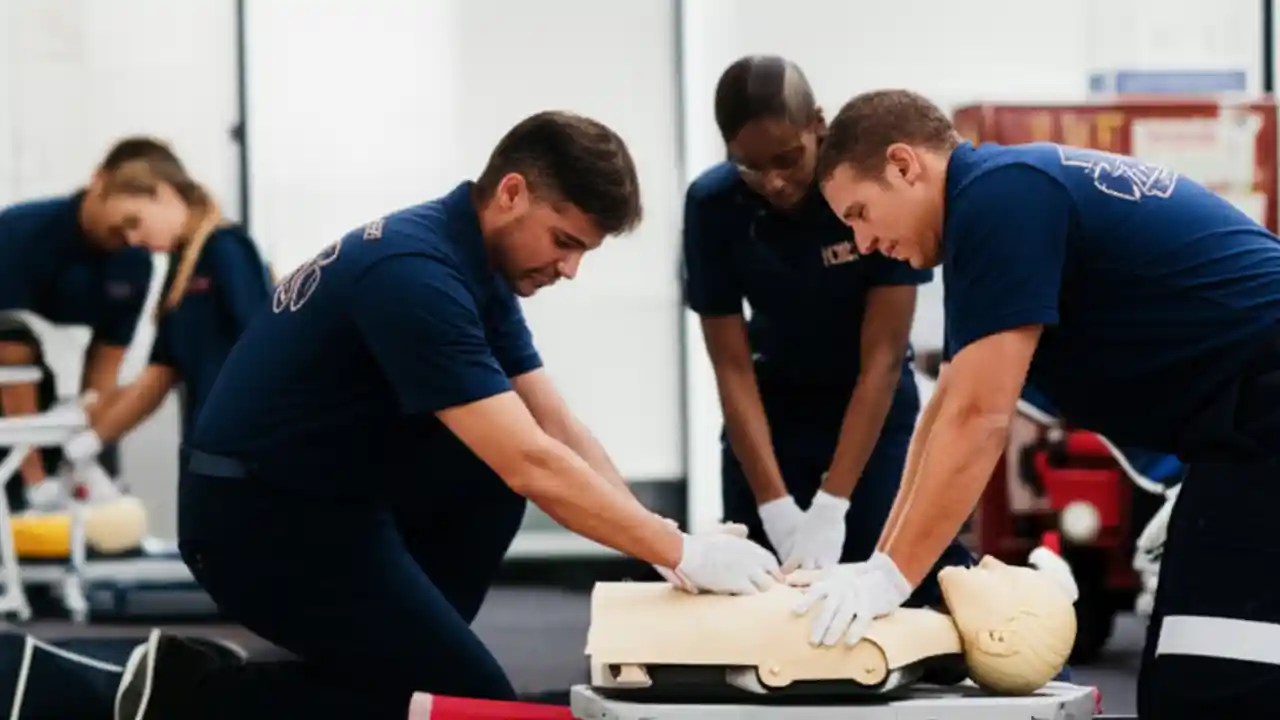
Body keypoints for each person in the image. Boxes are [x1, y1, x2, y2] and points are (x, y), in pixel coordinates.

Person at [114, 110, 783, 720]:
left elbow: (556, 426)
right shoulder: (415, 274)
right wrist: (681, 551)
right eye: (564, 240)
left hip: (332, 503)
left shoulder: (477, 266)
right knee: (468, 707)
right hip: (254, 524)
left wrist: (663, 542)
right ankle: (194, 692)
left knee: (426, 671)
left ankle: (400, 665)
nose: (571, 268)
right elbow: (531, 463)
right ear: (512, 193)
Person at [799, 89, 1280, 719]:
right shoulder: (996, 201)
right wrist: (879, 569)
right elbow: (945, 413)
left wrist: (888, 580)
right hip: (1239, 433)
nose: (861, 242)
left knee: (1214, 679)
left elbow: (980, 422)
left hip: (1263, 420)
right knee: (1186, 671)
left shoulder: (1000, 200)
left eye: (860, 213)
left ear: (903, 164)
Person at [682, 56, 972, 607]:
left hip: (871, 409)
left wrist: (833, 502)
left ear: (818, 123)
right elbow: (730, 365)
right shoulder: (713, 206)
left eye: (787, 159)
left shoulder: (860, 191)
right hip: (772, 411)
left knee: (883, 590)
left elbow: (883, 360)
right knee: (758, 600)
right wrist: (775, 504)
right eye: (749, 166)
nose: (774, 180)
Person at [0, 137, 195, 508]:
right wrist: (37, 481)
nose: (133, 235)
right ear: (99, 181)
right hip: (10, 389)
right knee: (22, 504)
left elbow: (106, 366)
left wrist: (85, 447)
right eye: (129, 221)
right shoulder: (17, 235)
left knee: (93, 484)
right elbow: (11, 364)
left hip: (57, 399)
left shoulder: (132, 259)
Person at [62, 174, 274, 484]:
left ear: (164, 196)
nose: (133, 241)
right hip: (202, 450)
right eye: (124, 233)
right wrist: (94, 437)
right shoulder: (179, 270)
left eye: (135, 223)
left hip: (243, 450)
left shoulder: (227, 248)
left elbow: (268, 348)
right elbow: (159, 374)